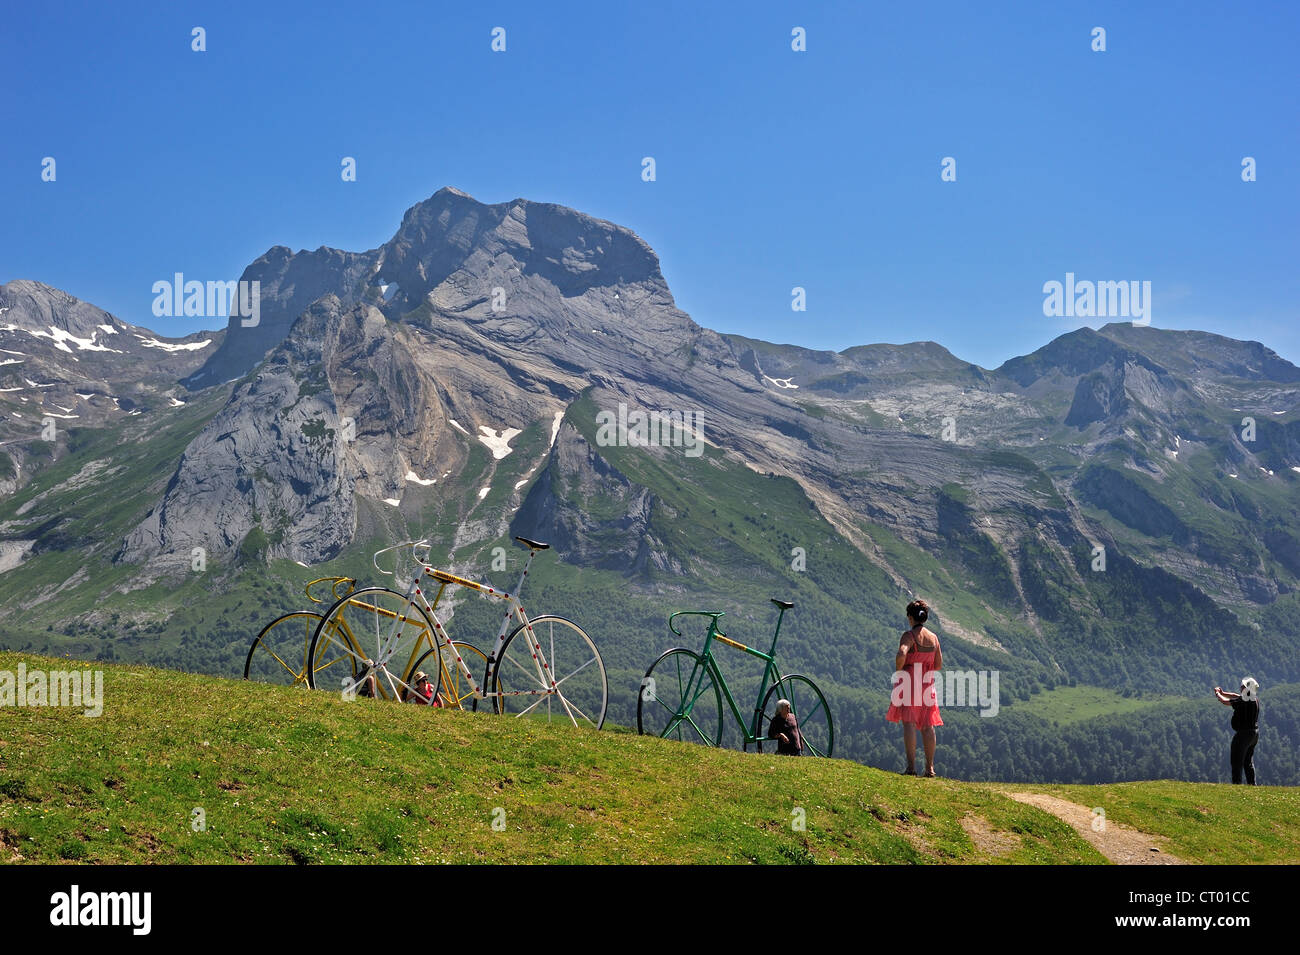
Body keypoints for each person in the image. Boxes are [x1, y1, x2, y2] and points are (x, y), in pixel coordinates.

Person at [885, 598, 943, 777]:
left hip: (910, 681)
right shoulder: (933, 638)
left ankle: (911, 768)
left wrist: (899, 669)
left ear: (910, 617)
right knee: (928, 725)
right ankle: (930, 768)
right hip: (927, 682)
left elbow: (902, 652)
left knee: (909, 722)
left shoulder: (909, 636)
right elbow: (938, 664)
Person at [1214, 678, 1260, 785]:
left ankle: (1237, 784)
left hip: (1243, 735)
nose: (1241, 687)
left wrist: (1217, 693)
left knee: (1236, 761)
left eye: (1242, 686)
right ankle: (1252, 785)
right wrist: (1223, 692)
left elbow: (1225, 701)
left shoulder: (1245, 699)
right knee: (1247, 761)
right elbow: (1235, 696)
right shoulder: (1253, 698)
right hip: (1254, 733)